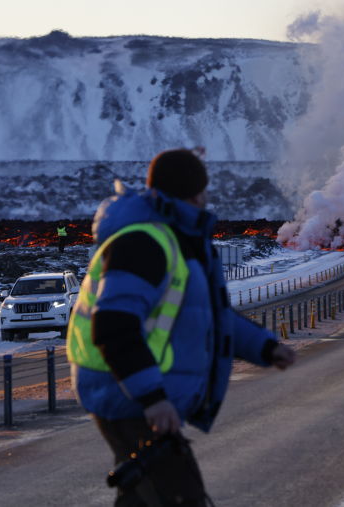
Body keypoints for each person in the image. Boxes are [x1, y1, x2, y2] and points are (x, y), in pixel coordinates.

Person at [68, 148, 295, 505]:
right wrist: (153, 399)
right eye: (201, 189)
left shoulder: (177, 241)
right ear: (193, 193)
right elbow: (113, 325)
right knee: (181, 498)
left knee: (146, 497)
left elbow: (207, 319)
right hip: (129, 398)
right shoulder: (144, 243)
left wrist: (265, 347)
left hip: (138, 396)